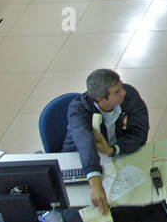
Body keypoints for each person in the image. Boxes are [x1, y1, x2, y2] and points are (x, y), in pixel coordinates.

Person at [62, 69, 150, 213]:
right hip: (83, 159)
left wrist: (112, 149)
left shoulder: (130, 96)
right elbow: (85, 143)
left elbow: (139, 133)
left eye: (121, 87)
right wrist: (95, 182)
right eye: (117, 92)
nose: (124, 92)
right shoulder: (78, 109)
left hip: (118, 155)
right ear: (100, 100)